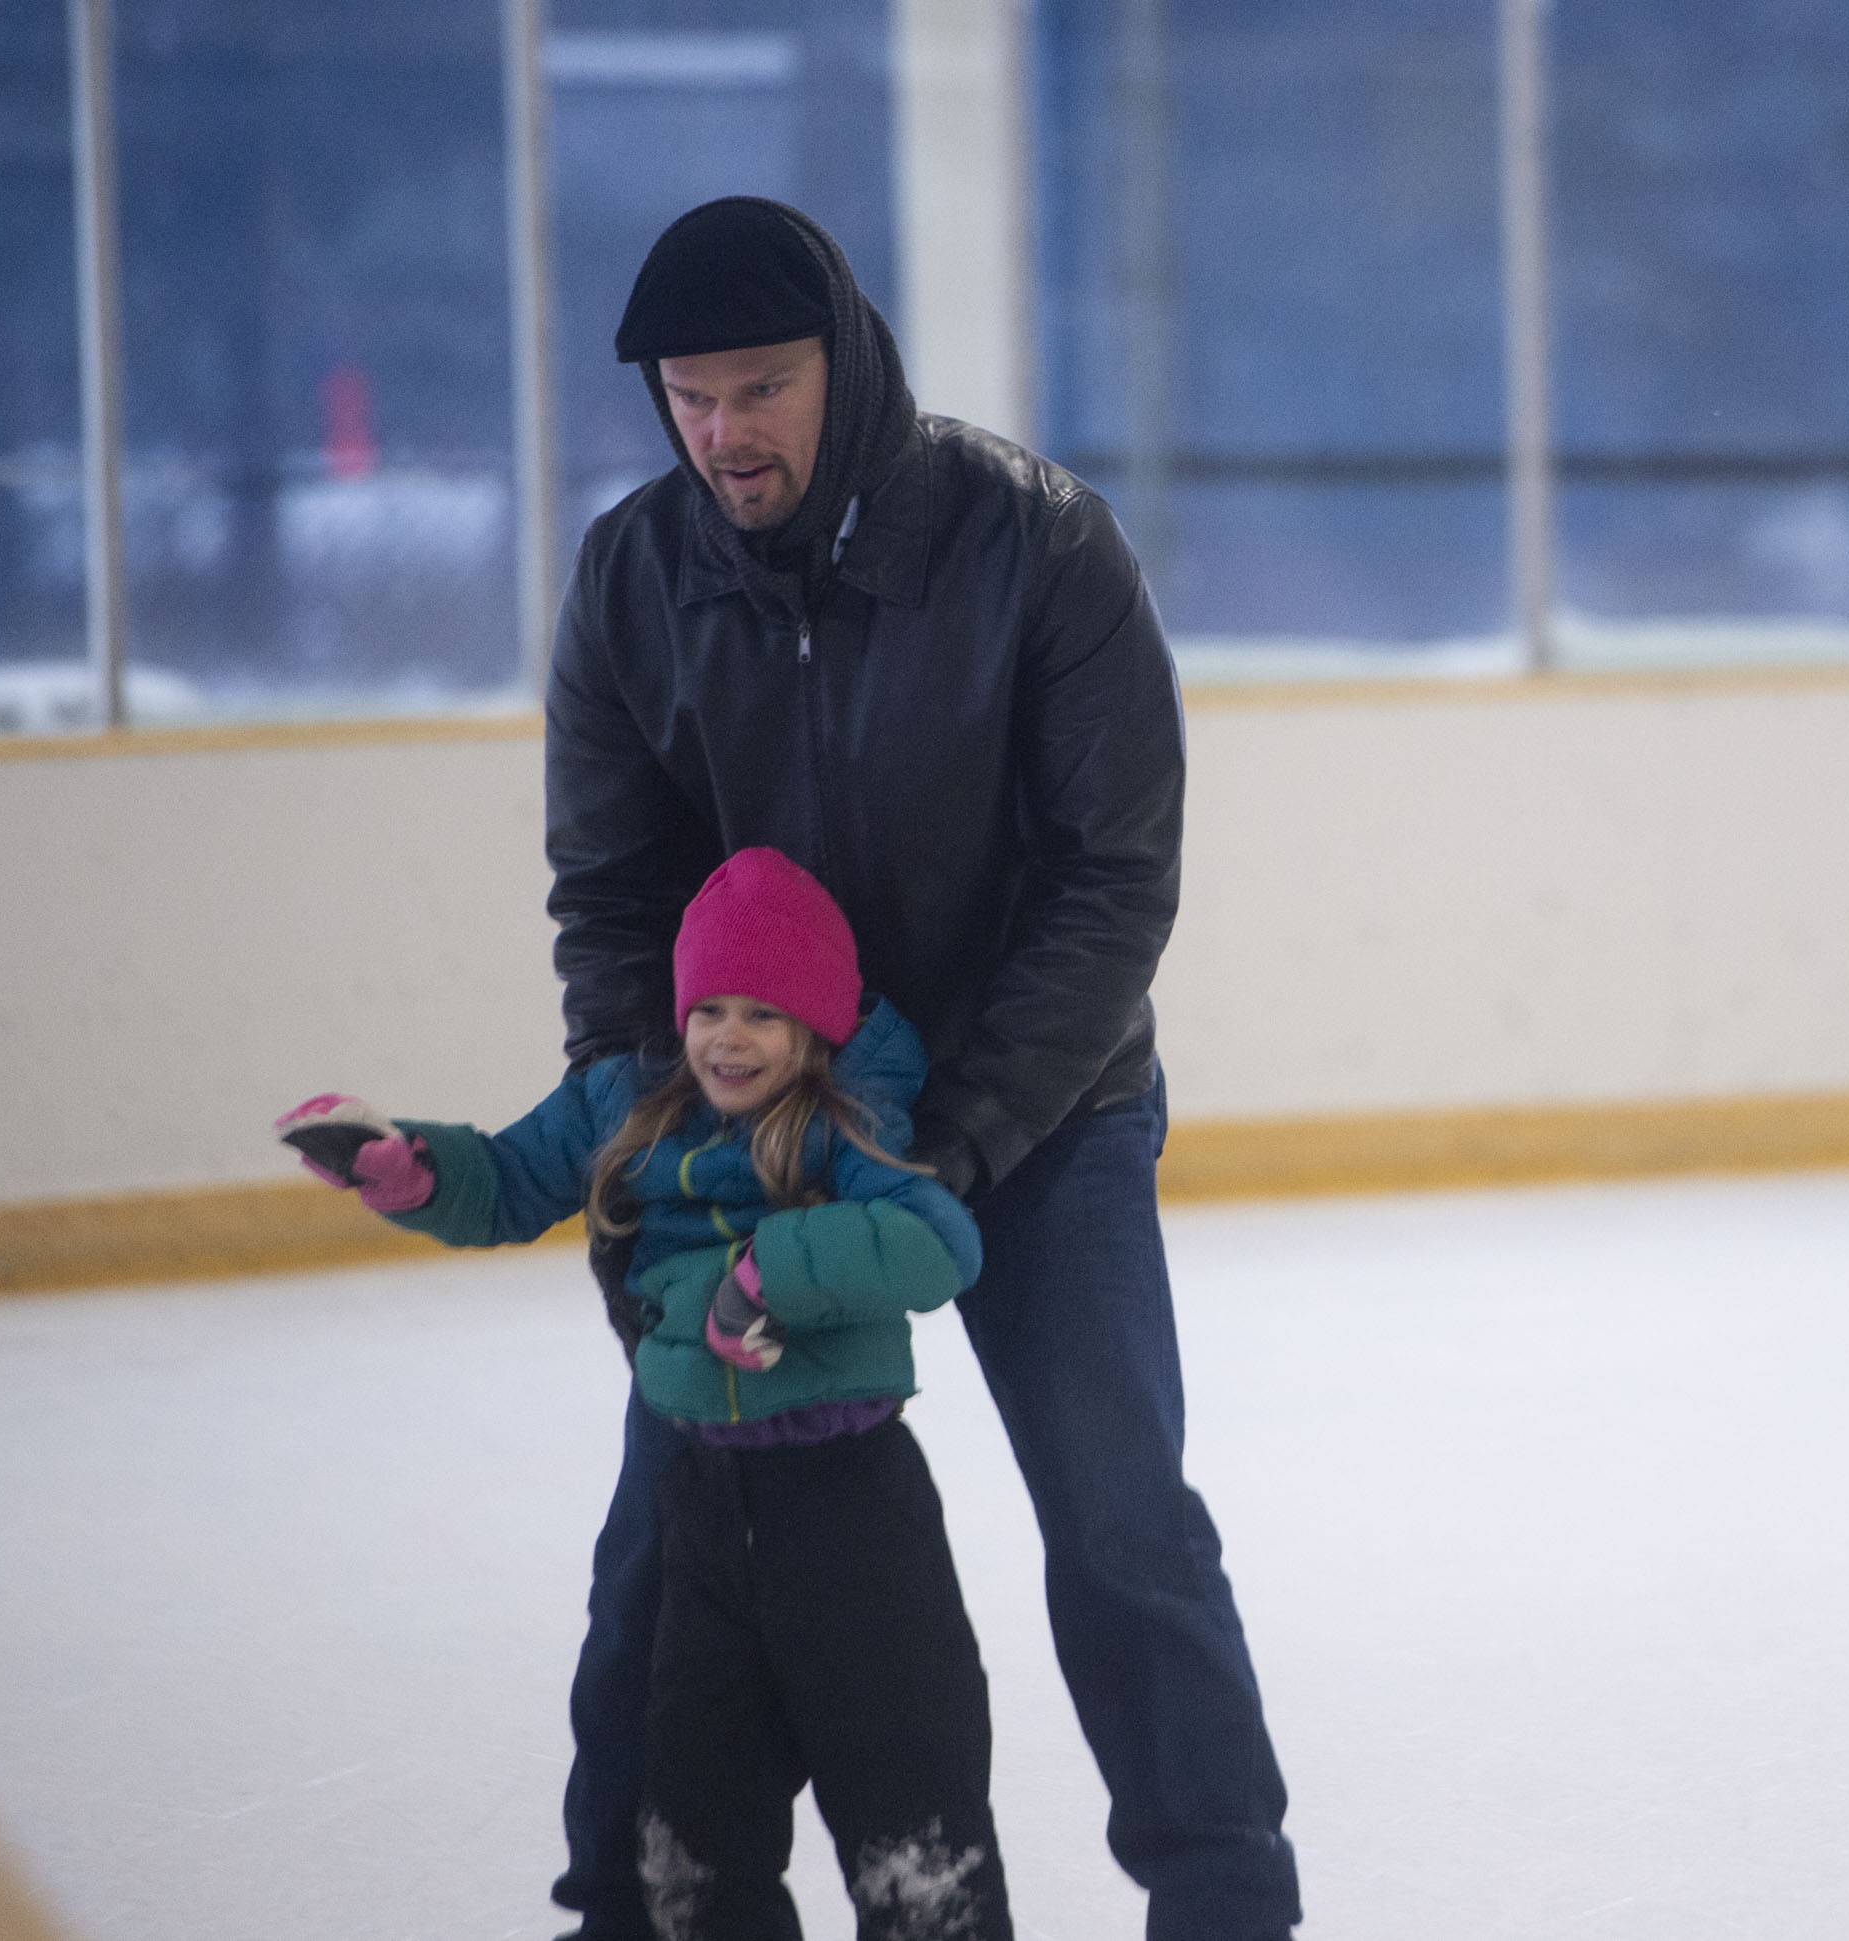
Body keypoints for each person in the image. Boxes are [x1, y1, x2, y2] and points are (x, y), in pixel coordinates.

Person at [541, 196, 1299, 1941]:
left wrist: (951, 1148)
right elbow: (613, 902)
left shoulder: (1037, 546)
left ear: (846, 360)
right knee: (662, 1548)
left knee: (1121, 1522)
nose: (723, 432)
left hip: (1039, 1125)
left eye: (760, 387)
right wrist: (644, 1148)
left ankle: (1229, 1906)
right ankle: (623, 1913)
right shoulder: (636, 581)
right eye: (688, 397)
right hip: (767, 1146)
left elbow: (1117, 880)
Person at [278, 847, 1011, 1941]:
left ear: (814, 1028)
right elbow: (511, 1178)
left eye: (762, 1013)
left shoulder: (841, 1124)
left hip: (852, 1511)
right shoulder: (623, 1103)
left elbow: (934, 1242)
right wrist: (410, 1170)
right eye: (709, 1007)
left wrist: (767, 1275)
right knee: (696, 1841)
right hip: (702, 1506)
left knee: (914, 1828)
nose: (727, 1036)